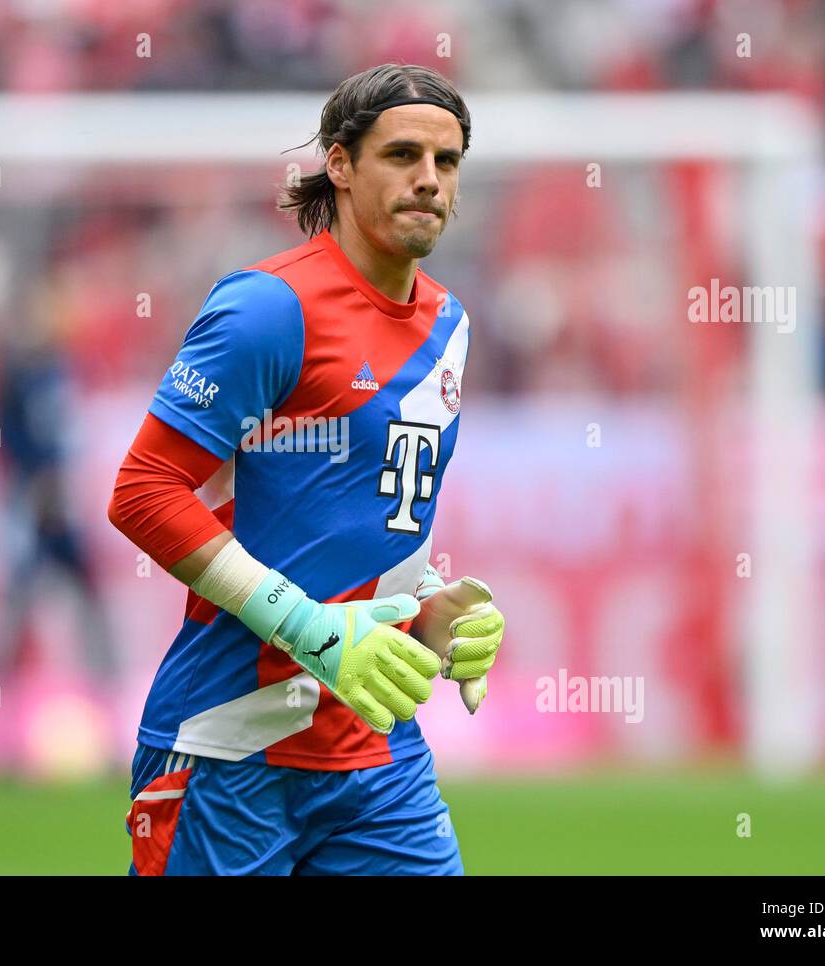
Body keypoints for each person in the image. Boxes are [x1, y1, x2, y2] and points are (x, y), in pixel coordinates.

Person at [107, 63, 505, 875]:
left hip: (376, 752)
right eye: (402, 155)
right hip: (232, 746)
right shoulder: (267, 308)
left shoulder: (451, 327)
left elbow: (354, 525)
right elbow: (144, 492)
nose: (428, 180)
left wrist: (425, 612)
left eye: (447, 161)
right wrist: (312, 630)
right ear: (340, 164)